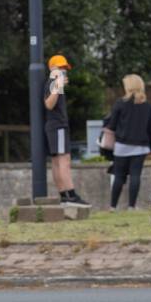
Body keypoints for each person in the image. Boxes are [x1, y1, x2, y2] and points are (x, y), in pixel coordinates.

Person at [103, 74, 151, 211]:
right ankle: (131, 206)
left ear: (128, 86)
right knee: (135, 175)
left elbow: (112, 124)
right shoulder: (147, 106)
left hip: (122, 145)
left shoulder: (120, 103)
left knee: (119, 176)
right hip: (141, 146)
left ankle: (113, 206)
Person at [44, 53, 87, 205]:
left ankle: (64, 195)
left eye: (65, 68)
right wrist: (58, 86)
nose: (64, 71)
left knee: (57, 161)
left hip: (55, 126)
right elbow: (49, 104)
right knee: (64, 160)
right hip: (58, 126)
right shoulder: (54, 82)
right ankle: (71, 195)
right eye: (61, 68)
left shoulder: (54, 82)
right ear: (53, 68)